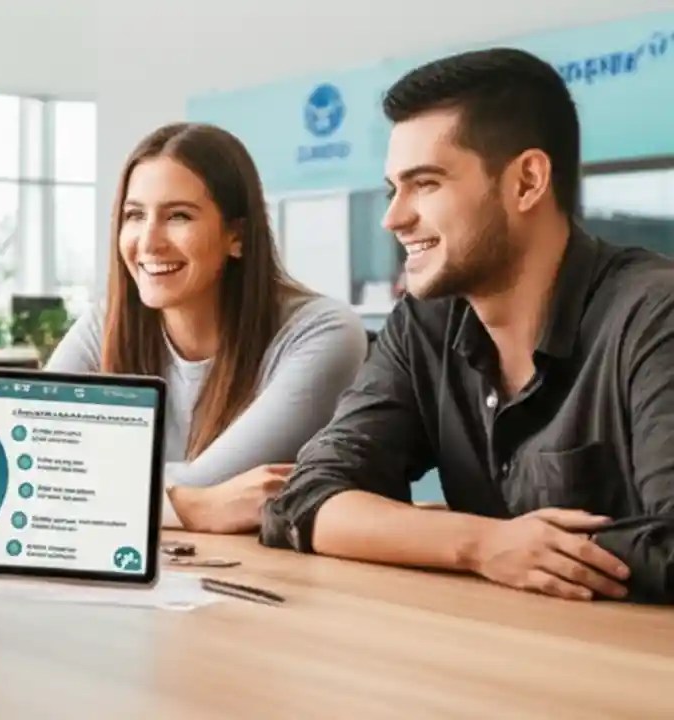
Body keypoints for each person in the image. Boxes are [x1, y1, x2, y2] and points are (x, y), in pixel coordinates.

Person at [261, 47, 674, 605]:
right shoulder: (425, 324)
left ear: (527, 181)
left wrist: (423, 534)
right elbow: (304, 499)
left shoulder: (653, 314)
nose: (393, 217)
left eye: (425, 183)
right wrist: (481, 543)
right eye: (393, 188)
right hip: (494, 661)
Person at [46, 123, 367, 533]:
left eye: (178, 216)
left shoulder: (324, 332)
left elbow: (213, 482)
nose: (149, 241)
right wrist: (194, 507)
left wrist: (80, 489)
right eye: (135, 215)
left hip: (276, 581)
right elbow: (35, 464)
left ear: (238, 236)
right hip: (162, 569)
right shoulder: (107, 322)